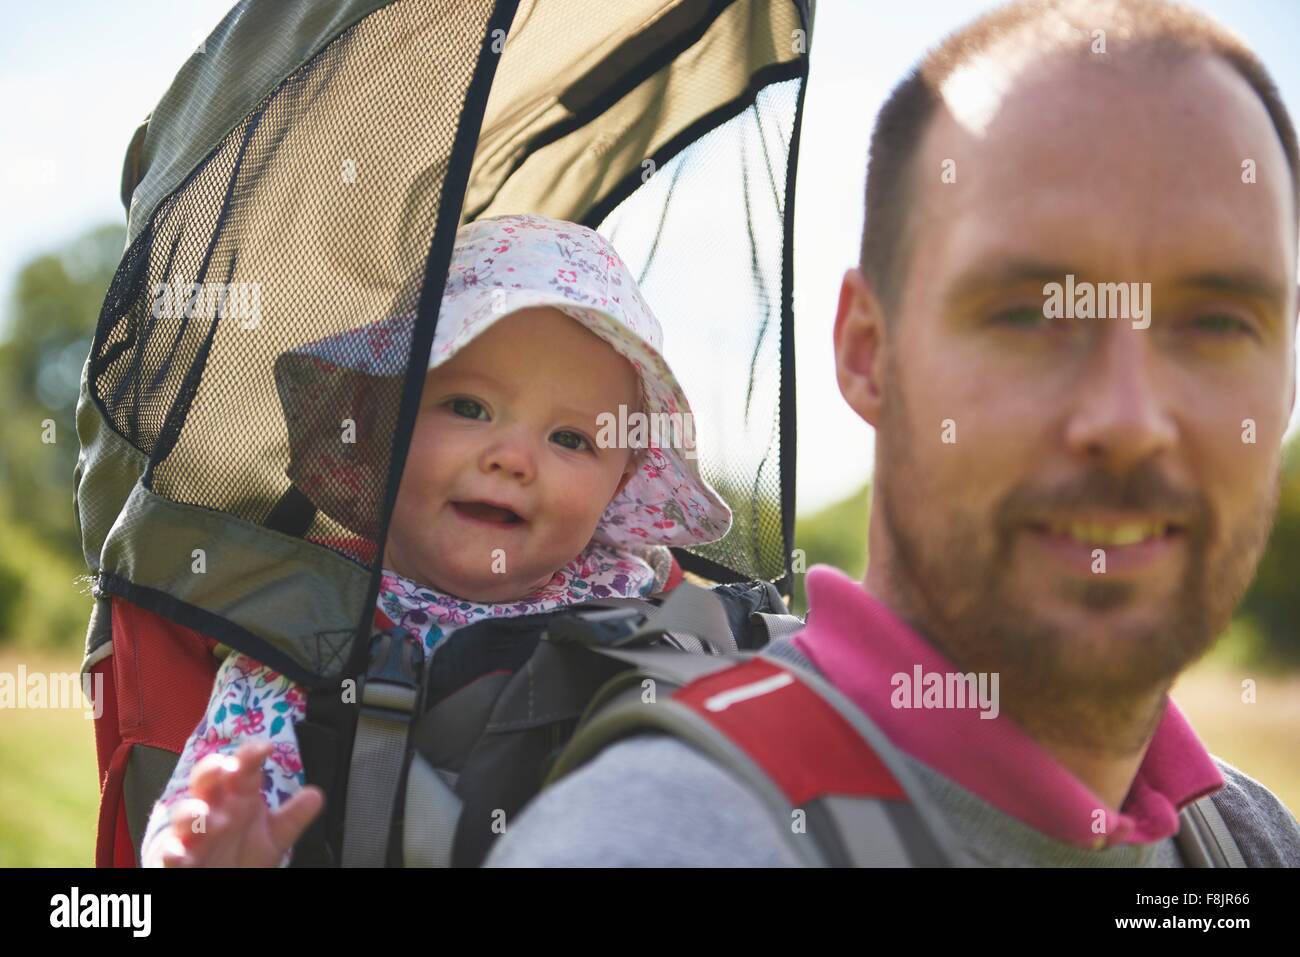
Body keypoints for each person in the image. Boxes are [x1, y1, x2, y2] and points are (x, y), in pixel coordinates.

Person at [487, 0, 1300, 867]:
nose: (1131, 421)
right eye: (1029, 313)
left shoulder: (1252, 841)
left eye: (1216, 322)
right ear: (868, 354)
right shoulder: (658, 845)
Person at [139, 213, 731, 866]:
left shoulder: (645, 607)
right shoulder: (312, 634)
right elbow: (227, 779)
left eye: (570, 439)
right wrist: (215, 841)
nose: (513, 458)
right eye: (469, 407)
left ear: (617, 483)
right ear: (377, 426)